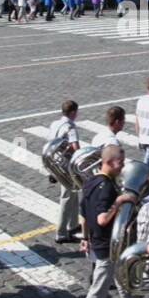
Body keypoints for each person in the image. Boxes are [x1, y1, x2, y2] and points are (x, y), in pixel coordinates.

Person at [80, 145, 138, 298]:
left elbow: (83, 214)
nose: (123, 166)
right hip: (107, 247)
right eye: (121, 163)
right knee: (96, 294)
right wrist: (119, 201)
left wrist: (85, 238)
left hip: (103, 243)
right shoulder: (106, 187)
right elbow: (102, 219)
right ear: (112, 162)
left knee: (123, 281)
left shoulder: (90, 181)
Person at [48, 100, 82, 243]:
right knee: (67, 197)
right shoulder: (70, 128)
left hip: (55, 162)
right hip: (67, 166)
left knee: (73, 194)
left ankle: (73, 226)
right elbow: (76, 147)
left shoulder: (54, 124)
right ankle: (61, 233)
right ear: (73, 112)